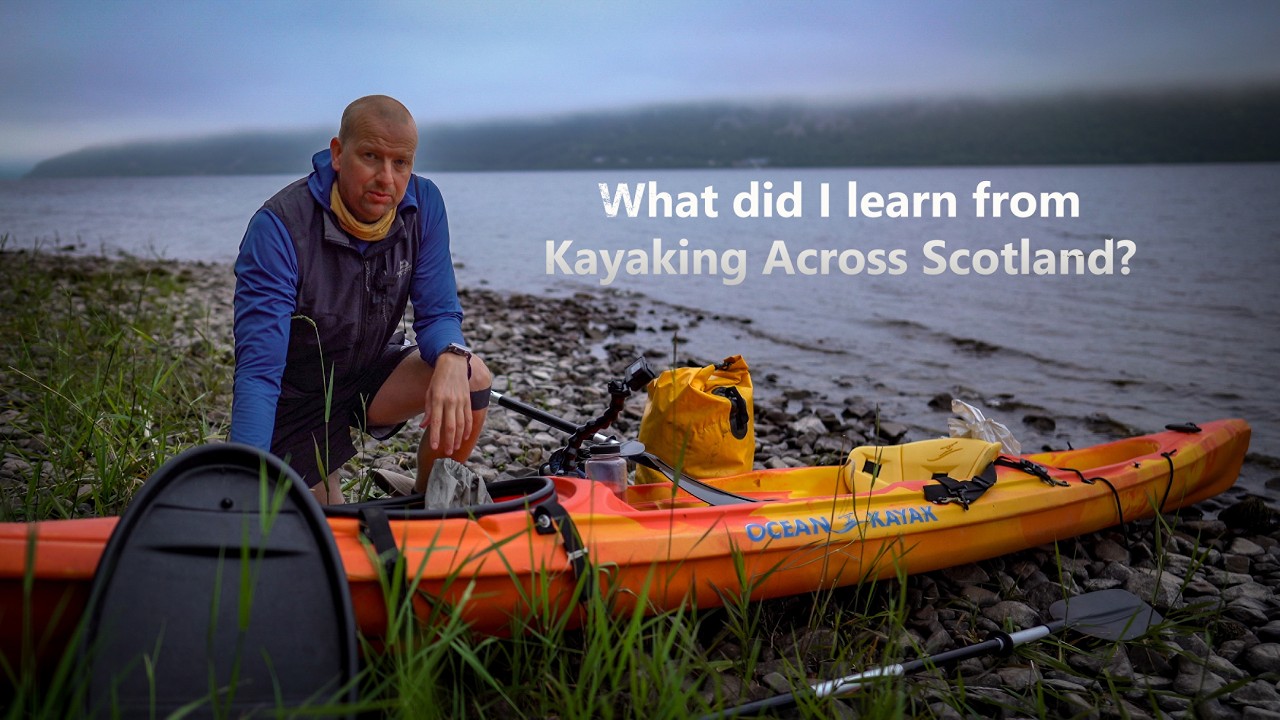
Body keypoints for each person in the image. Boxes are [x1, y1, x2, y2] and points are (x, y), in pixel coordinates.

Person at [230, 95, 491, 504]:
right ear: (338, 153)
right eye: (371, 157)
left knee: (471, 376)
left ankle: (425, 502)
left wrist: (451, 357)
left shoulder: (424, 205)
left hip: (369, 373)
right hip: (296, 398)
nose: (386, 178)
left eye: (400, 162)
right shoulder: (279, 228)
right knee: (321, 531)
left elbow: (438, 312)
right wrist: (240, 480)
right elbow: (260, 372)